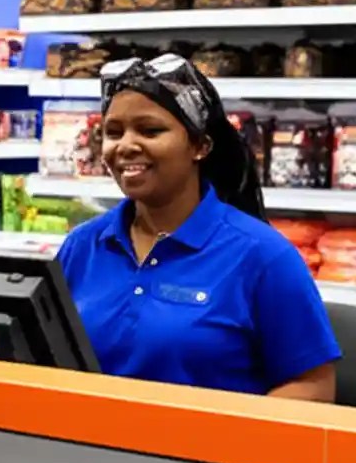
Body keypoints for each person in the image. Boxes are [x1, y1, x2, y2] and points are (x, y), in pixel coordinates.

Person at [57, 54, 339, 401]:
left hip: (209, 452)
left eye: (150, 130)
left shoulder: (262, 256)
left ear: (200, 145)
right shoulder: (83, 247)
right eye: (113, 133)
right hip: (87, 449)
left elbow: (312, 384)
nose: (126, 146)